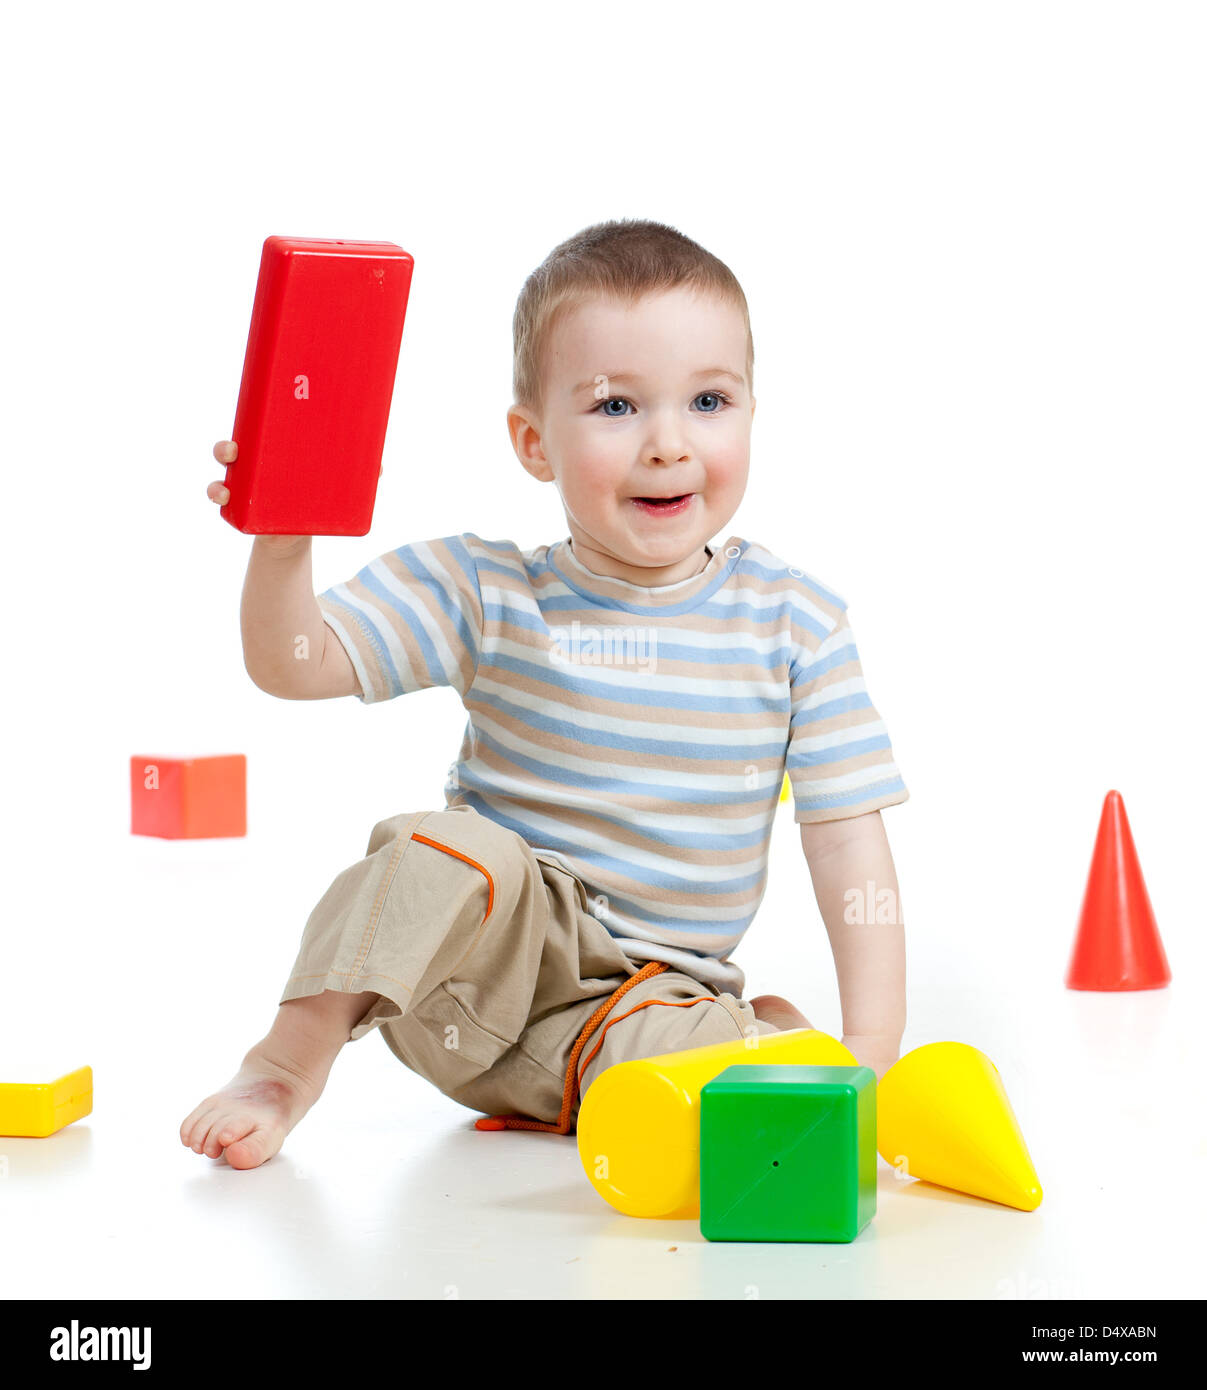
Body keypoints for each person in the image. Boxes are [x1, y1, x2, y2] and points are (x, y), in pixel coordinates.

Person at [181, 218, 909, 1169]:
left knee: (726, 1073)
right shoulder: (484, 590)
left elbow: (848, 838)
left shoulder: (796, 624)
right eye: (614, 407)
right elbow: (293, 661)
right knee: (445, 847)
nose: (666, 444)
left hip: (645, 1006)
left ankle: (747, 1048)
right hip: (465, 982)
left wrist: (872, 1055)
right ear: (533, 440)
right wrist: (282, 543)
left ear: (750, 415)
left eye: (708, 400)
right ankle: (283, 1066)